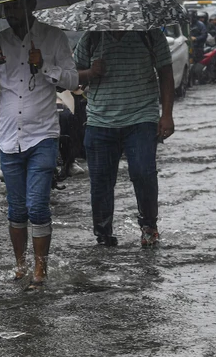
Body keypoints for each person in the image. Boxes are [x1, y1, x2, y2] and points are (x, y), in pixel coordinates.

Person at [0, 0, 79, 288]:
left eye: (15, 8)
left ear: (31, 6)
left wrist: (44, 66)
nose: (10, 14)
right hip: (9, 138)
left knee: (37, 206)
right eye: (6, 8)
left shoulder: (53, 36)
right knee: (17, 209)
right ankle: (20, 265)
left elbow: (72, 80)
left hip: (42, 134)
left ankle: (40, 270)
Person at [74, 25, 176, 247]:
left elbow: (166, 73)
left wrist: (167, 114)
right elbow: (72, 74)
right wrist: (90, 72)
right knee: (100, 181)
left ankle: (149, 226)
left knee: (143, 173)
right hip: (100, 120)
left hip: (141, 117)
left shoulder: (149, 34)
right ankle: (103, 235)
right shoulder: (93, 36)